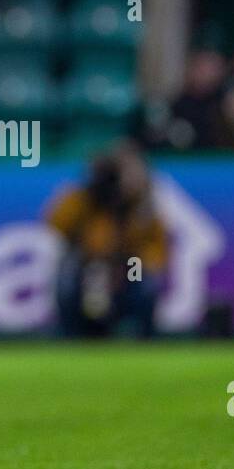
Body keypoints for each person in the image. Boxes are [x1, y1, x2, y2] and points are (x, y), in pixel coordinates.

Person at [47, 145, 168, 339]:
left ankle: (144, 337)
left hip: (128, 265)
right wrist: (86, 192)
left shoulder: (141, 208)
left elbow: (156, 249)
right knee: (67, 273)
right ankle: (70, 336)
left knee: (144, 281)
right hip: (87, 265)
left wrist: (137, 262)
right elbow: (56, 223)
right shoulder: (83, 200)